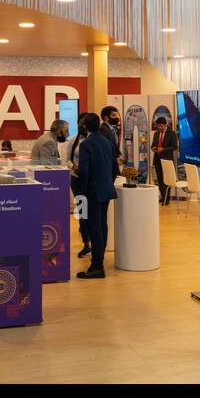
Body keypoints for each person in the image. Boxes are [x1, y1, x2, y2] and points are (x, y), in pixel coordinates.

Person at [75, 112, 119, 279]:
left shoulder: (86, 145)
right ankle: (98, 261)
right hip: (105, 190)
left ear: (85, 126)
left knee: (95, 228)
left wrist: (82, 193)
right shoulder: (108, 142)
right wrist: (107, 182)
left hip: (92, 192)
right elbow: (115, 169)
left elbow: (84, 172)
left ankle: (97, 266)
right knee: (102, 226)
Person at [69, 113, 93, 258]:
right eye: (81, 123)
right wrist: (75, 167)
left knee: (92, 212)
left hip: (91, 181)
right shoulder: (73, 141)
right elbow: (67, 160)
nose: (82, 126)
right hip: (77, 179)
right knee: (82, 211)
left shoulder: (93, 141)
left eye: (85, 123)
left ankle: (94, 241)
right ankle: (87, 243)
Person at [149, 115, 179, 199]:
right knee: (159, 180)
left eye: (161, 126)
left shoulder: (171, 133)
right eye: (158, 126)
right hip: (157, 160)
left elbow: (174, 147)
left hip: (167, 160)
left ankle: (167, 199)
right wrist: (153, 148)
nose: (159, 127)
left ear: (166, 125)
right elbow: (153, 145)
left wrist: (163, 149)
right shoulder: (156, 134)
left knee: (167, 180)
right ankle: (163, 197)